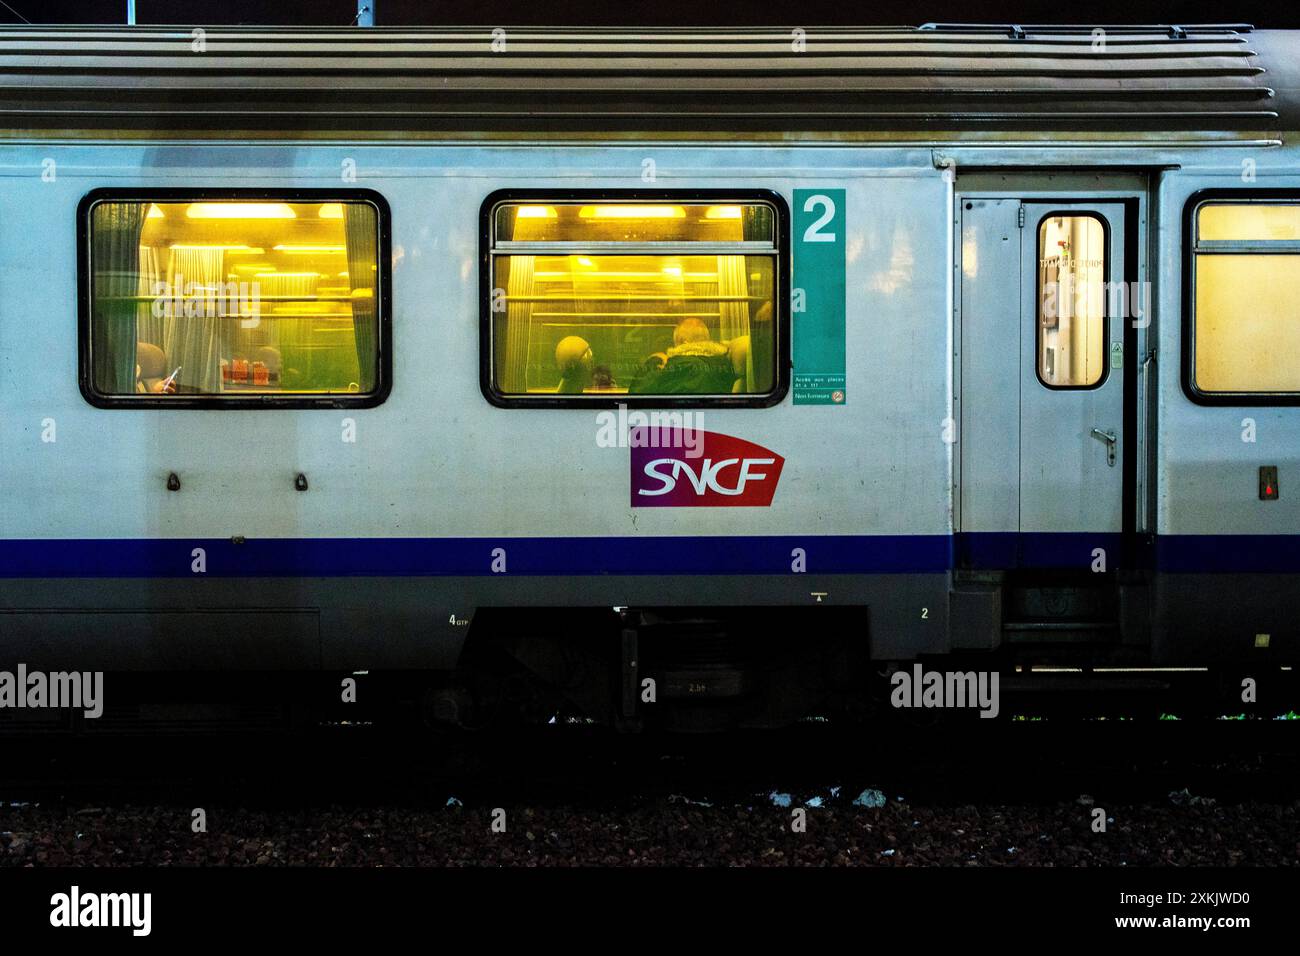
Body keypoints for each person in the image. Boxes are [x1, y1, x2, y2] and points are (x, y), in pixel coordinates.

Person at [636, 318, 737, 395]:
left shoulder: (678, 366)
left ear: (683, 343)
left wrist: (653, 361)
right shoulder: (724, 365)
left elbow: (638, 396)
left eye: (676, 343)